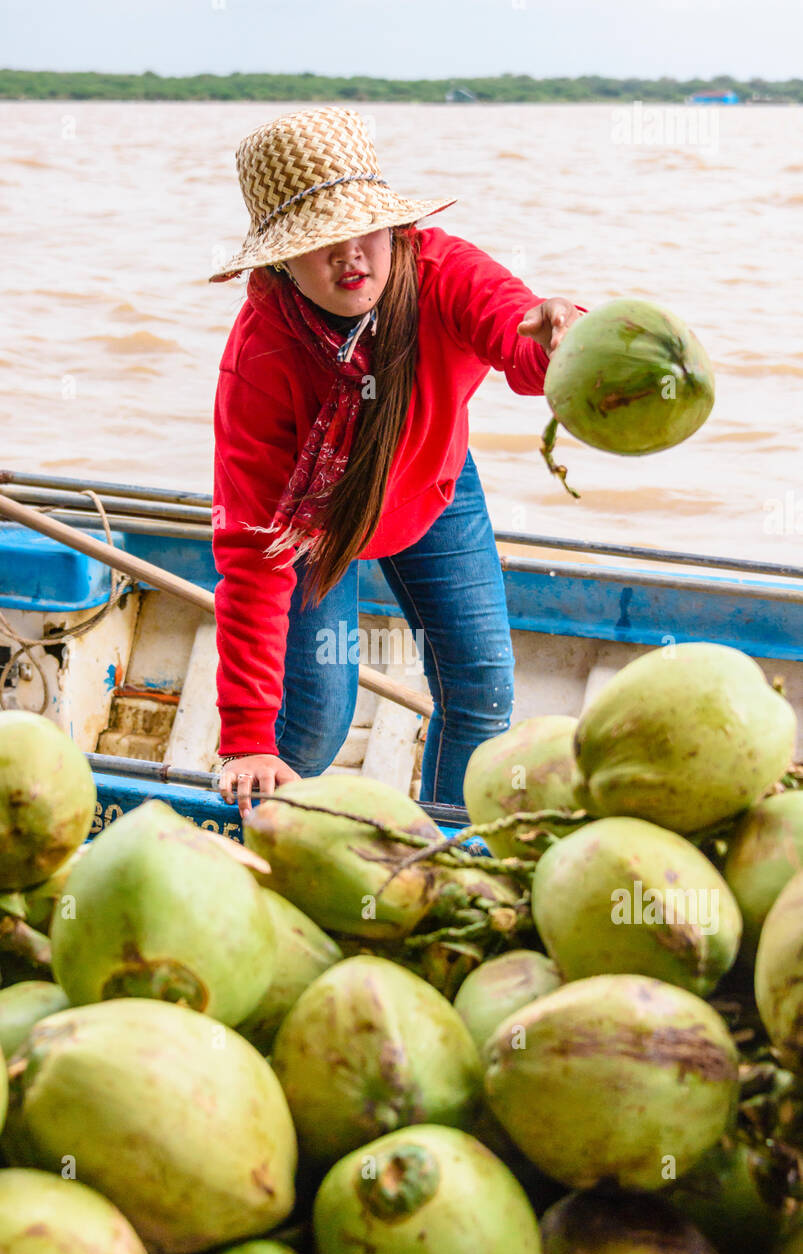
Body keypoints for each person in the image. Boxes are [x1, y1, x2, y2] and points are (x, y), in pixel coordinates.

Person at [210, 106, 584, 817]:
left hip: (429, 480)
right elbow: (254, 552)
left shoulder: (441, 269)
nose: (350, 256)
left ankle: (442, 856)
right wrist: (246, 738)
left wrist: (557, 331)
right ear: (278, 260)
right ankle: (279, 844)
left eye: (365, 231)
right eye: (320, 242)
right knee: (314, 718)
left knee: (482, 690)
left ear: (394, 226)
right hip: (309, 520)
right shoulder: (259, 357)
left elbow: (517, 334)